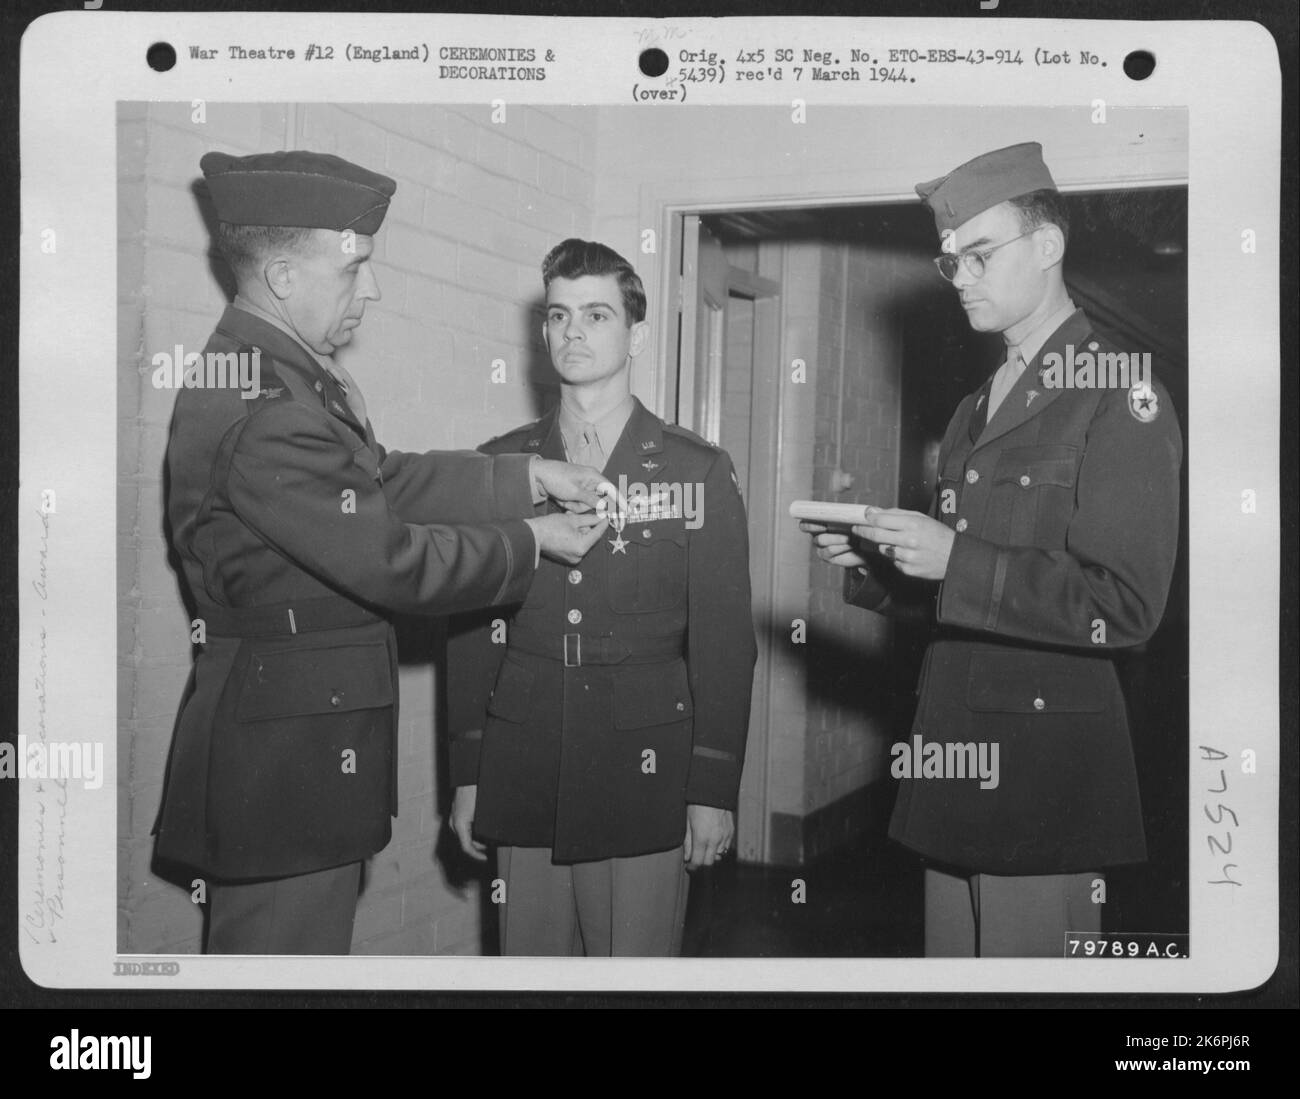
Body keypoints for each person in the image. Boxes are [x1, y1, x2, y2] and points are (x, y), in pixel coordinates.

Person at [153, 150, 610, 954]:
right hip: (282, 767)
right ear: (286, 276)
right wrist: (532, 541)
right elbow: (391, 561)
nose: (372, 288)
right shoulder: (265, 402)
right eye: (355, 267)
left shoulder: (281, 371)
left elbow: (378, 479)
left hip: (294, 745)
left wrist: (524, 477)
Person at [804, 143, 1183, 957]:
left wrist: (956, 562)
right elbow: (965, 589)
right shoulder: (979, 403)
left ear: (1048, 246)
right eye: (951, 261)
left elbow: (1126, 605)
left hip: (1047, 781)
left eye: (979, 253)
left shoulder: (1121, 388)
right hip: (955, 764)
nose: (961, 276)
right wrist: (881, 567)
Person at [446, 239, 757, 956]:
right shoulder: (499, 465)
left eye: (596, 314)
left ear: (636, 334)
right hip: (525, 764)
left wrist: (712, 787)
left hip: (644, 770)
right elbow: (471, 635)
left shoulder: (696, 470)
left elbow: (724, 641)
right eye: (559, 316)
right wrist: (469, 774)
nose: (574, 332)